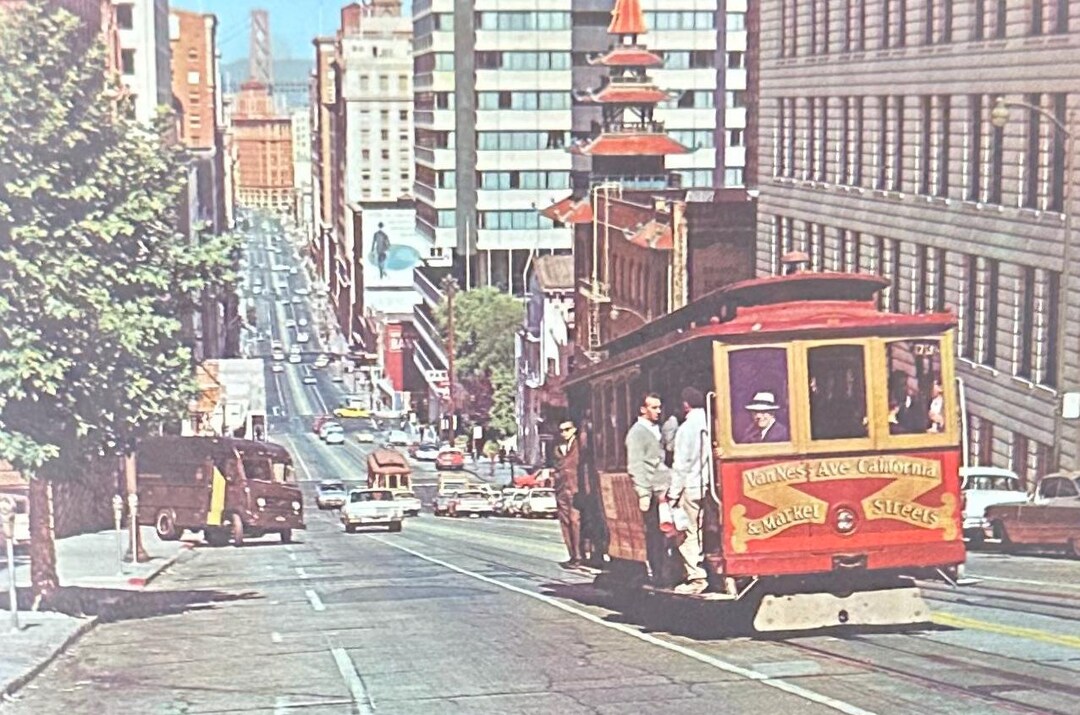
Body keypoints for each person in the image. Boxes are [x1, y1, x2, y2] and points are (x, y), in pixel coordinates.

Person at [625, 392, 672, 584]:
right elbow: (635, 464)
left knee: (666, 532)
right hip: (652, 491)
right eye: (654, 407)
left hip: (664, 487)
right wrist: (643, 492)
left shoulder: (656, 429)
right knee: (655, 533)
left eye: (659, 407)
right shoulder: (637, 433)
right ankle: (658, 572)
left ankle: (666, 570)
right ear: (643, 409)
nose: (658, 411)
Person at [668, 387, 711, 595]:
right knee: (703, 530)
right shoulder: (711, 423)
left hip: (690, 486)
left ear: (686, 404)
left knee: (688, 532)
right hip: (708, 485)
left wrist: (674, 493)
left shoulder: (686, 429)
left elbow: (681, 464)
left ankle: (696, 577)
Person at [553, 420, 583, 569]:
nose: (564, 433)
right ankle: (572, 555)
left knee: (575, 521)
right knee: (565, 523)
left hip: (576, 489)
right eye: (562, 430)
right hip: (561, 490)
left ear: (574, 429)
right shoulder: (557, 448)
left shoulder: (579, 445)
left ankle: (578, 556)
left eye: (567, 429)